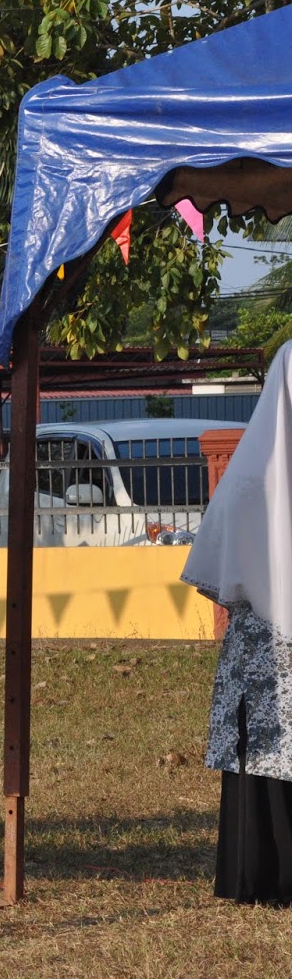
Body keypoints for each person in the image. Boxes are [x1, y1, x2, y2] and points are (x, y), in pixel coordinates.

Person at [182, 344, 292, 905]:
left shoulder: (248, 476)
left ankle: (262, 873)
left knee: (267, 752)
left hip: (267, 649)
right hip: (269, 653)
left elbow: (217, 571)